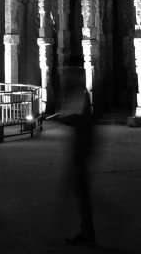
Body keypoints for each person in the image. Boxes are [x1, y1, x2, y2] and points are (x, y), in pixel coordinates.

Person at [56, 67, 96, 245]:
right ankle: (87, 231)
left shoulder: (79, 93)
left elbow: (78, 120)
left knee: (82, 191)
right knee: (81, 190)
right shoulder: (82, 93)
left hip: (82, 148)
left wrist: (60, 118)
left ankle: (88, 232)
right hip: (83, 146)